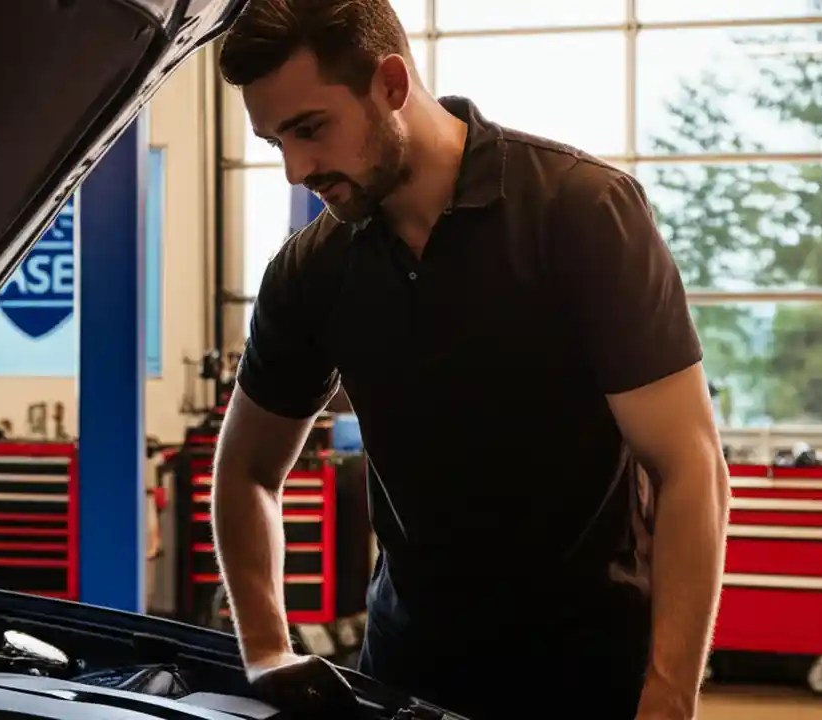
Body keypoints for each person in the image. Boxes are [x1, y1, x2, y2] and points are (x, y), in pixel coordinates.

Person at [207, 1, 731, 719]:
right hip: (406, 678)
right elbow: (246, 471)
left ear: (391, 83)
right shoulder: (314, 270)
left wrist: (668, 697)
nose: (298, 169)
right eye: (274, 142)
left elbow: (690, 463)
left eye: (310, 129)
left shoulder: (581, 212)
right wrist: (267, 650)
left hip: (592, 679)